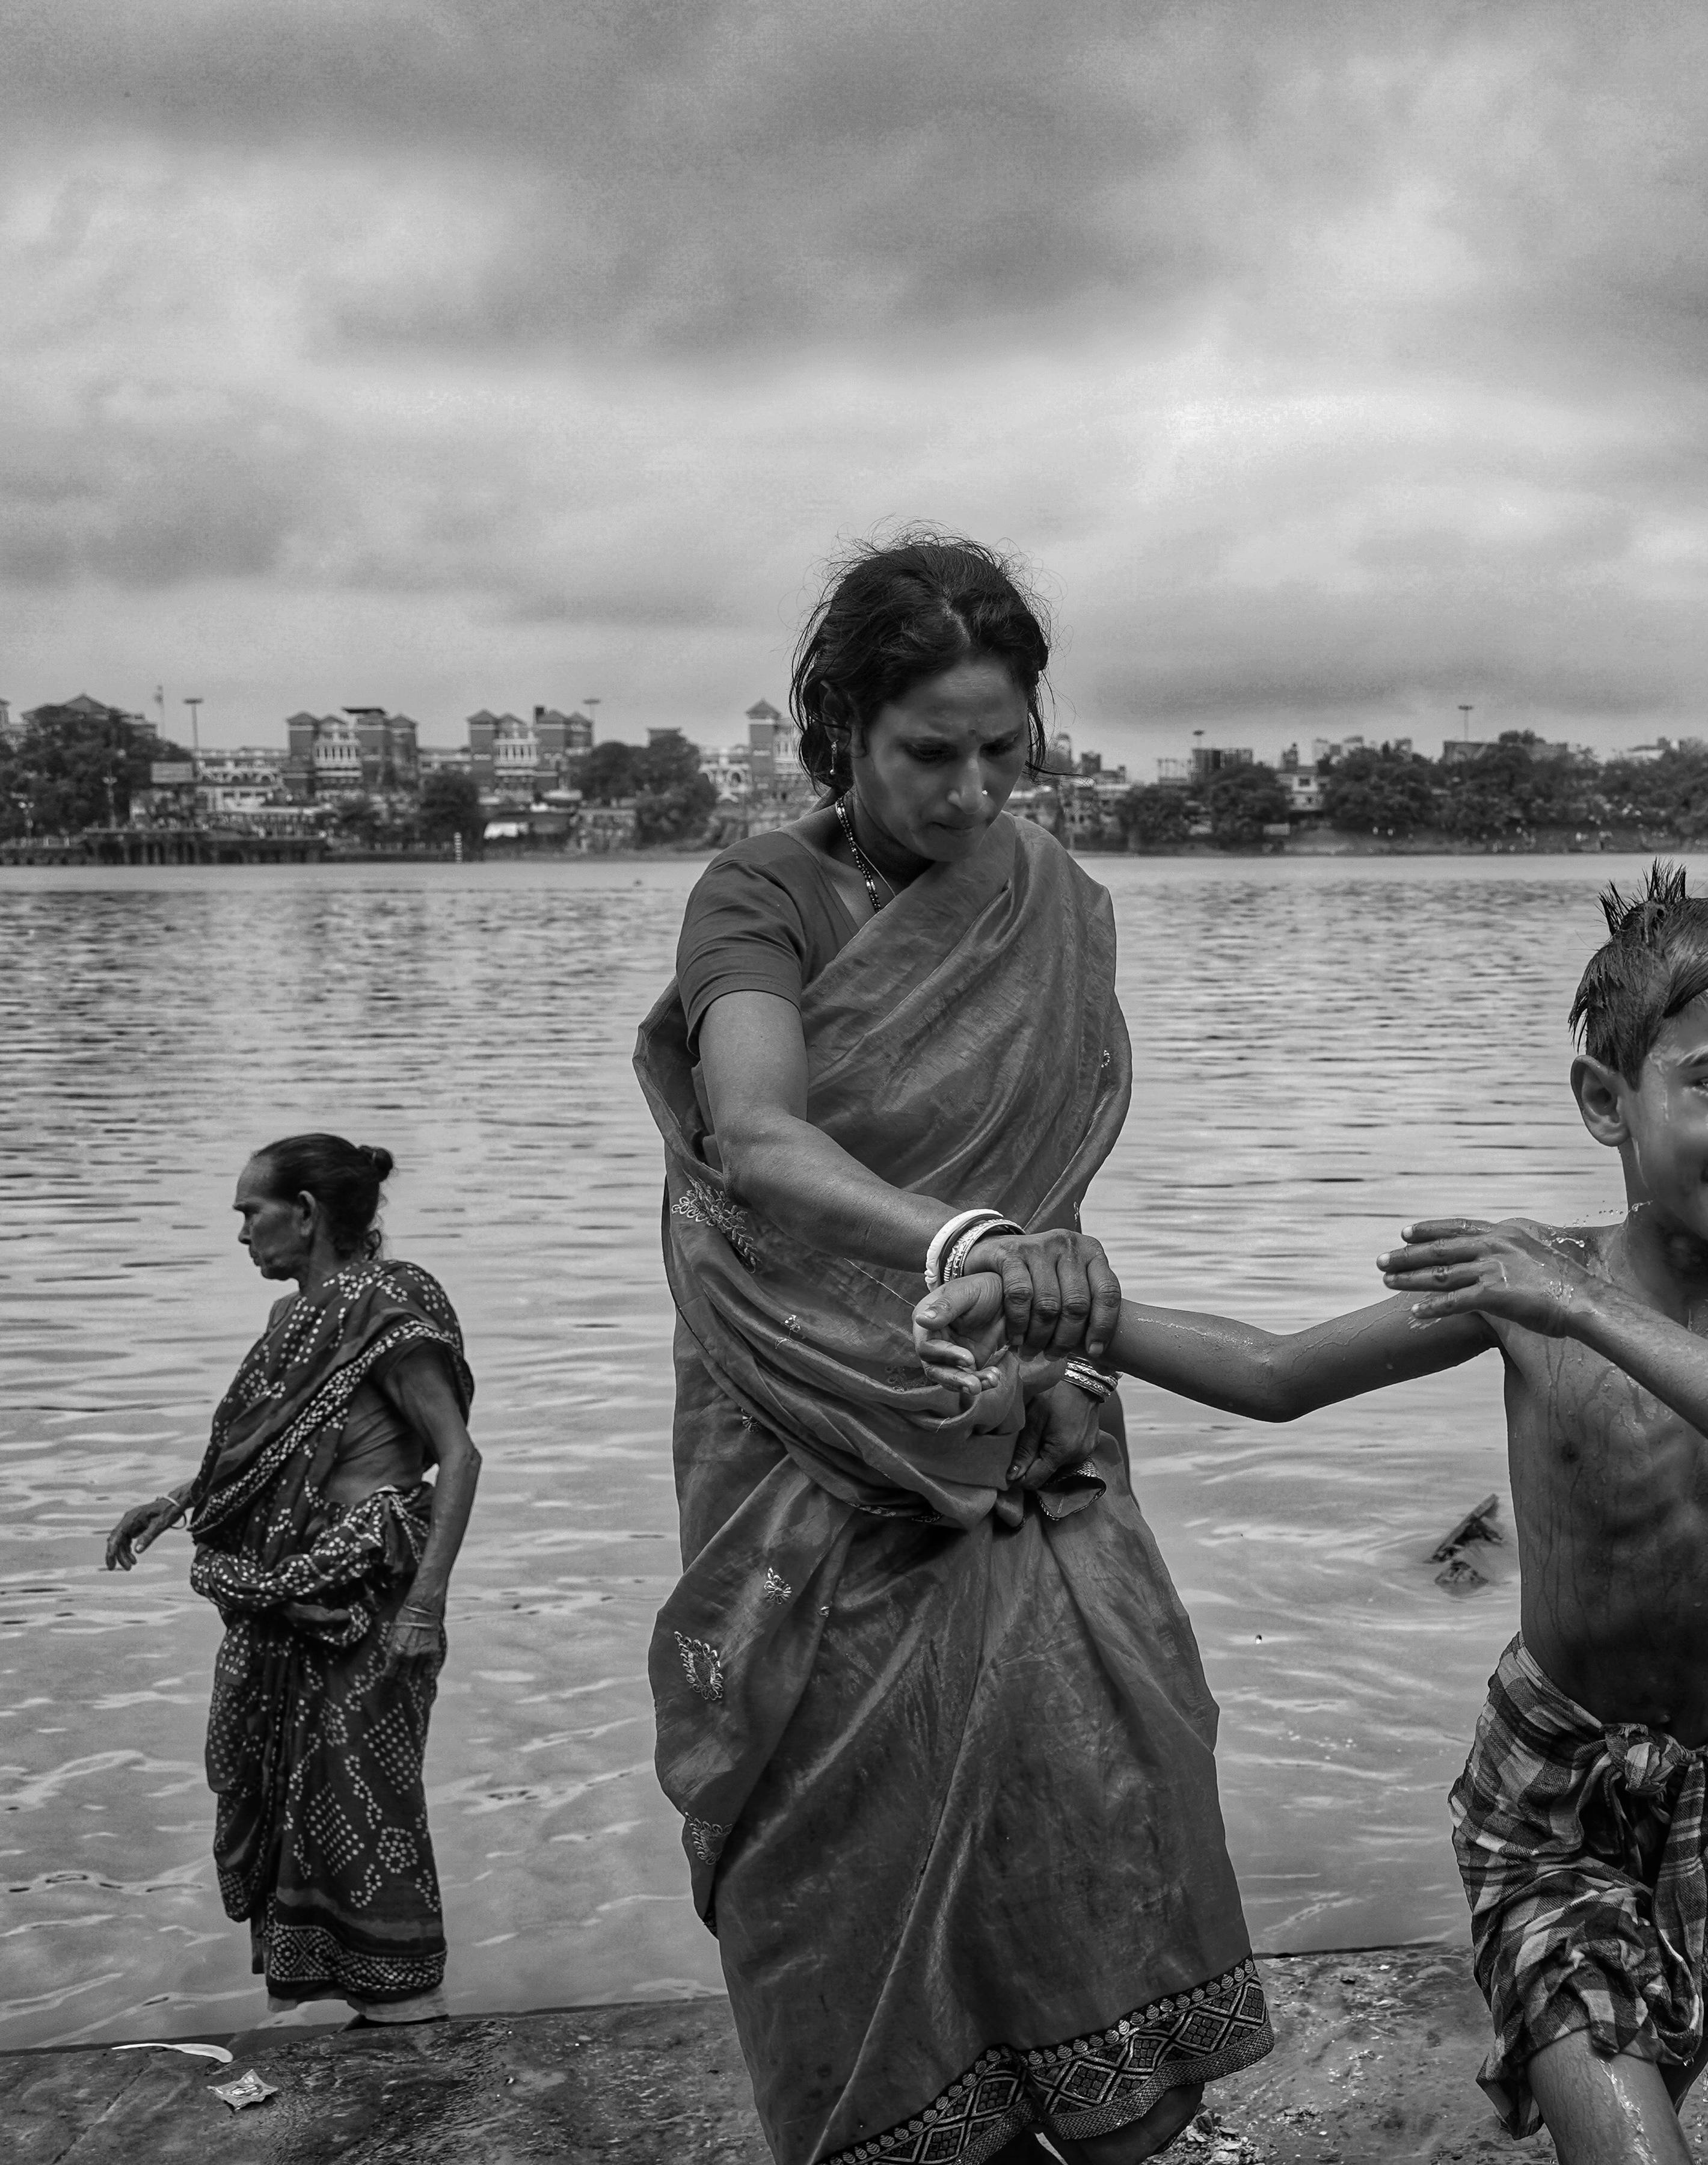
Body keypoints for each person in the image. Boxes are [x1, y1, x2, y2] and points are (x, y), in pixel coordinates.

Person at [920, 867, 1708, 2165]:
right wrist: (1069, 1316)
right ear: (1608, 1103)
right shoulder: (1530, 1282)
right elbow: (1275, 1374)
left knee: (1640, 2096)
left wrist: (1586, 1311)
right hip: (1550, 1788)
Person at [638, 532, 1268, 2165]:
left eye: (1009, 753)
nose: (977, 794)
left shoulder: (1056, 908)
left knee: (1096, 1835)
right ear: (836, 732)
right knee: (838, 1863)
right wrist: (957, 1241)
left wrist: (1033, 1298)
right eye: (931, 753)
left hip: (1023, 1444)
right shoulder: (765, 897)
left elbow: (1046, 1196)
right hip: (814, 1459)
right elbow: (756, 1137)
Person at [102, 1134, 481, 2027]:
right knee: (303, 1809)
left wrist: (425, 1607)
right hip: (292, 1614)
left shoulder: (389, 1303)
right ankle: (371, 2011)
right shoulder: (293, 1322)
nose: (241, 1233)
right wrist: (178, 1498)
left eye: (250, 1213)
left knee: (368, 1802)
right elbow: (272, 1461)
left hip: (369, 1603)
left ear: (305, 1213)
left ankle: (409, 2009)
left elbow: (458, 1456)